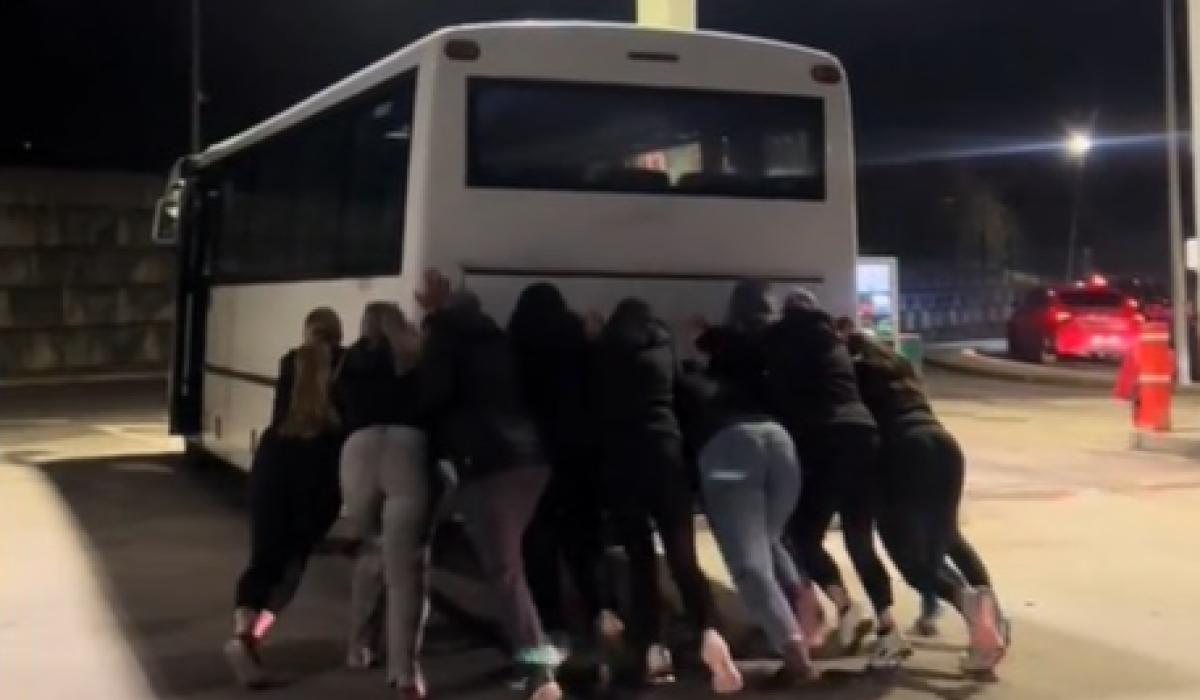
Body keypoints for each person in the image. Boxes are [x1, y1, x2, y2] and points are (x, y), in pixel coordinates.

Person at [415, 271, 562, 700]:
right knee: (510, 567)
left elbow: (433, 397)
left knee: (504, 571)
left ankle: (539, 671)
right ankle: (530, 655)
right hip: (531, 459)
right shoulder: (496, 338)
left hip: (488, 465)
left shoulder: (447, 339)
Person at [596, 297, 742, 693]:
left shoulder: (606, 349)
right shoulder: (663, 348)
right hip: (667, 453)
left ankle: (655, 652)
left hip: (623, 459)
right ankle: (712, 636)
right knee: (683, 557)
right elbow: (683, 395)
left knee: (641, 561)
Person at [762, 289, 910, 669]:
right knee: (859, 536)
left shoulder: (782, 337)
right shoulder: (833, 340)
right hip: (863, 434)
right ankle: (888, 627)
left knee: (802, 535)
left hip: (823, 439)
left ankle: (845, 604)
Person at [847, 332, 1008, 674]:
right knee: (949, 536)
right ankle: (992, 618)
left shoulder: (856, 373)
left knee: (910, 558)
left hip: (904, 449)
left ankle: (969, 606)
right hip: (942, 442)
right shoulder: (899, 365)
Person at [225, 307, 346, 687]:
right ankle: (253, 637)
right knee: (290, 568)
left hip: (273, 461)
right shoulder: (342, 367)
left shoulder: (289, 362)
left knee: (262, 559)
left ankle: (243, 629)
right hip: (314, 469)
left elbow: (282, 409)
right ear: (337, 336)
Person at [508, 283, 613, 651]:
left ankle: (552, 624)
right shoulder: (579, 341)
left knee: (540, 540)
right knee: (584, 538)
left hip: (536, 453)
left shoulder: (516, 343)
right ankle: (601, 611)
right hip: (582, 451)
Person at [336, 301, 434, 698]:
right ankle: (405, 673)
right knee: (407, 570)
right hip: (407, 450)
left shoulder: (350, 363)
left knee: (370, 552)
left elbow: (338, 406)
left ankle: (359, 647)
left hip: (358, 450)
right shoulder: (416, 357)